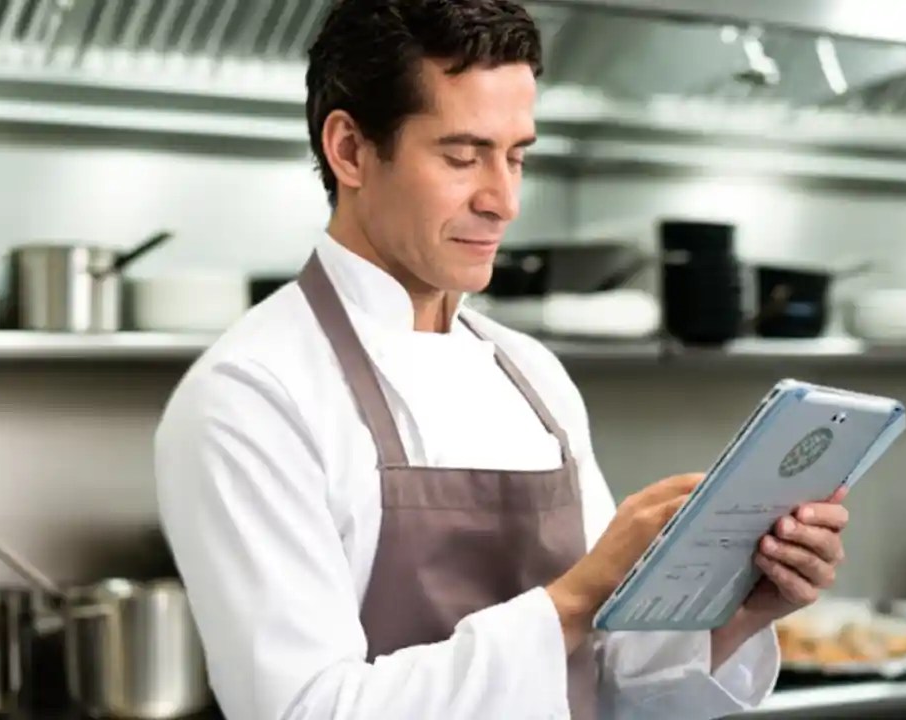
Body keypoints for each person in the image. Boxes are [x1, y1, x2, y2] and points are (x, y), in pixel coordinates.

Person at [154, 1, 850, 718]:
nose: (504, 201)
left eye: (516, 157)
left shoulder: (531, 376)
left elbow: (605, 681)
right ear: (351, 151)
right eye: (462, 157)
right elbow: (307, 710)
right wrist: (577, 594)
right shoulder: (251, 395)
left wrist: (735, 609)